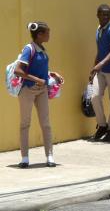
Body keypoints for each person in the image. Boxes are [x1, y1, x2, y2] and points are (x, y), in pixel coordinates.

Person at [15, 22, 63, 168]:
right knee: (25, 123)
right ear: (39, 34)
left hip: (41, 90)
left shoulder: (42, 50)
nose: (49, 35)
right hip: (27, 90)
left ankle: (49, 156)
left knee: (46, 123)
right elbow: (18, 70)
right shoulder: (29, 49)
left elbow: (39, 69)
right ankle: (24, 158)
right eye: (47, 33)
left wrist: (52, 74)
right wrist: (37, 80)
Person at [89, 4, 110, 143]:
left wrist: (101, 64)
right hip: (101, 71)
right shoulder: (98, 29)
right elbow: (100, 50)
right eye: (103, 14)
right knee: (94, 96)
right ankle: (102, 125)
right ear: (97, 15)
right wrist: (94, 67)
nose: (105, 17)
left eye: (108, 14)